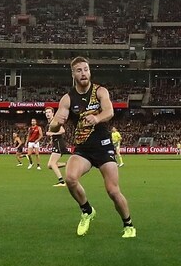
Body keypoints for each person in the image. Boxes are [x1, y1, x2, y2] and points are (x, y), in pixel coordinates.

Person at [48, 56, 136, 239]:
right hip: (83, 150)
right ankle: (87, 211)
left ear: (90, 71)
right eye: (79, 70)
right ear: (73, 74)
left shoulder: (100, 91)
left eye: (86, 69)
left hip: (104, 147)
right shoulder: (68, 98)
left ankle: (128, 225)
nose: (83, 73)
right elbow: (55, 124)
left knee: (112, 190)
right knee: (70, 178)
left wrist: (97, 118)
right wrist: (56, 124)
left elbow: (109, 111)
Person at [44, 107, 68, 187]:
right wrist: (51, 140)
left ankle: (61, 182)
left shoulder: (54, 121)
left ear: (53, 113)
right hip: (56, 143)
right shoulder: (50, 122)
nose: (47, 114)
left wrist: (52, 134)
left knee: (53, 164)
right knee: (49, 165)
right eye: (46, 112)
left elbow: (62, 131)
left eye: (49, 112)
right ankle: (67, 164)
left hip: (59, 143)